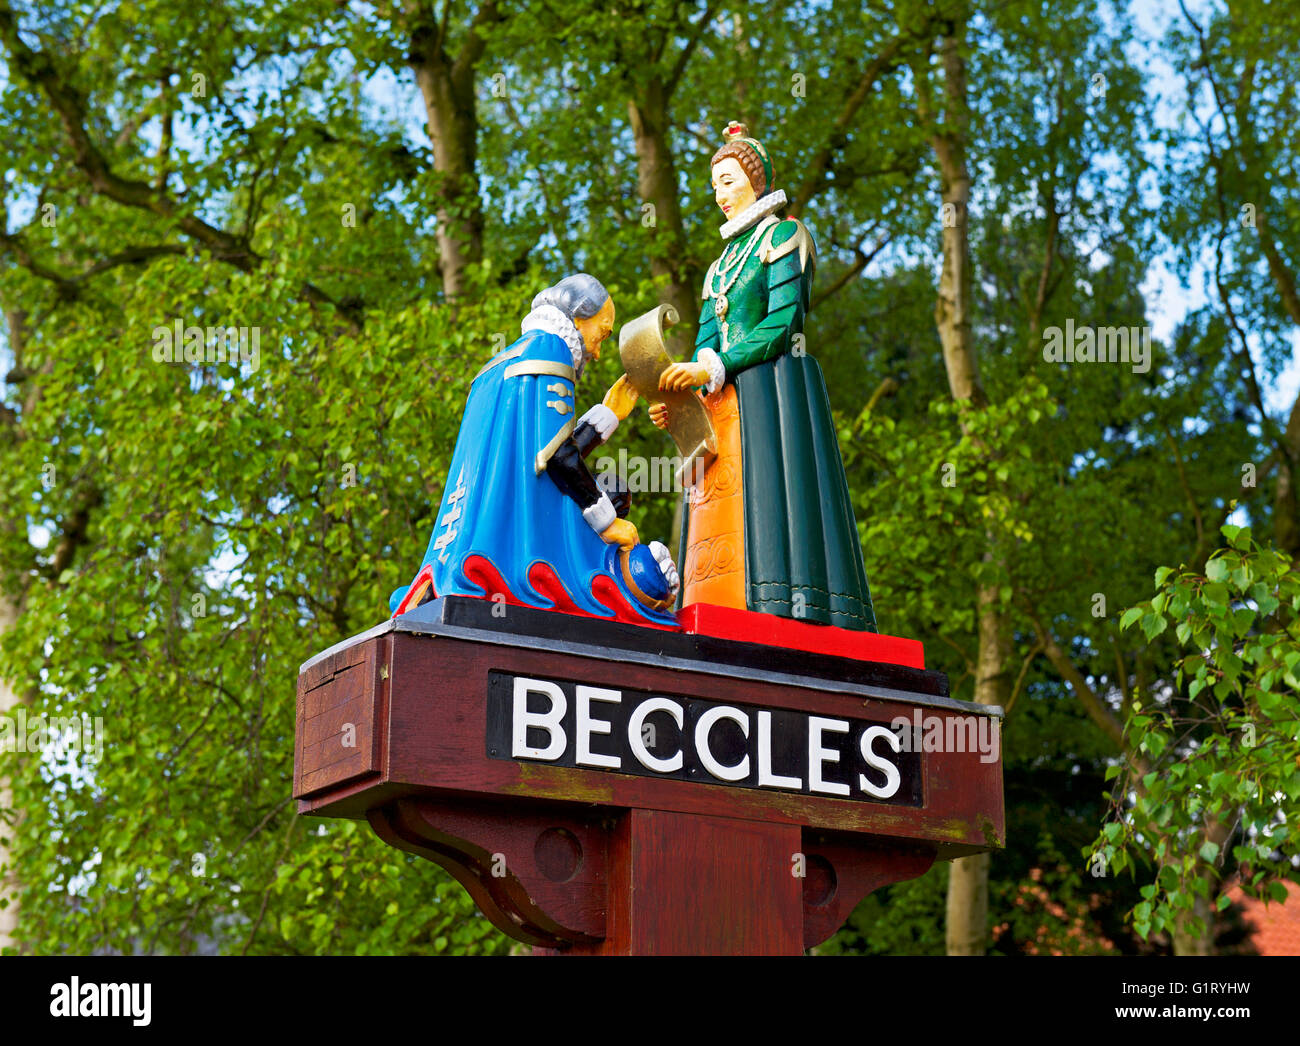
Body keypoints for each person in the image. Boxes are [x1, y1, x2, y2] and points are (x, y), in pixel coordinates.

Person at [651, 122, 877, 631]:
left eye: (728, 181)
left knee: (775, 505)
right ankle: (710, 600)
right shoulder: (720, 265)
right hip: (724, 403)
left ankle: (782, 602)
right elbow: (708, 339)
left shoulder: (783, 235)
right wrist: (682, 392)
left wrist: (715, 365)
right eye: (714, 186)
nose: (720, 195)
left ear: (754, 178)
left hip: (771, 396)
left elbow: (782, 322)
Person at [391, 274, 679, 625]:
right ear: (577, 317)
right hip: (512, 552)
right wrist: (607, 523)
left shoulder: (504, 360)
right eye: (601, 335)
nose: (597, 352)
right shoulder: (552, 348)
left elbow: (537, 461)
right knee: (616, 505)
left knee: (611, 489)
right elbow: (558, 457)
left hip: (468, 535)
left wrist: (608, 415)